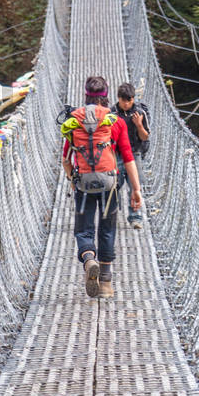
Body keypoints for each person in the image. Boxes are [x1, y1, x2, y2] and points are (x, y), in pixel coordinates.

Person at [60, 75, 142, 298]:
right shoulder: (114, 121)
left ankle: (89, 260)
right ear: (107, 97)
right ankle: (105, 283)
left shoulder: (74, 120)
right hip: (110, 183)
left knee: (83, 229)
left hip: (84, 184)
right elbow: (128, 156)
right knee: (107, 229)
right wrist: (136, 189)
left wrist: (72, 180)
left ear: (86, 95)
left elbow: (66, 159)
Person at [113, 82, 150, 230]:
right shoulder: (112, 114)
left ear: (133, 99)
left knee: (135, 186)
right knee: (113, 185)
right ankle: (112, 215)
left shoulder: (140, 113)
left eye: (130, 100)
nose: (127, 104)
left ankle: (135, 218)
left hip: (134, 154)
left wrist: (139, 125)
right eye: (124, 100)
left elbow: (145, 137)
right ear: (118, 99)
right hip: (117, 155)